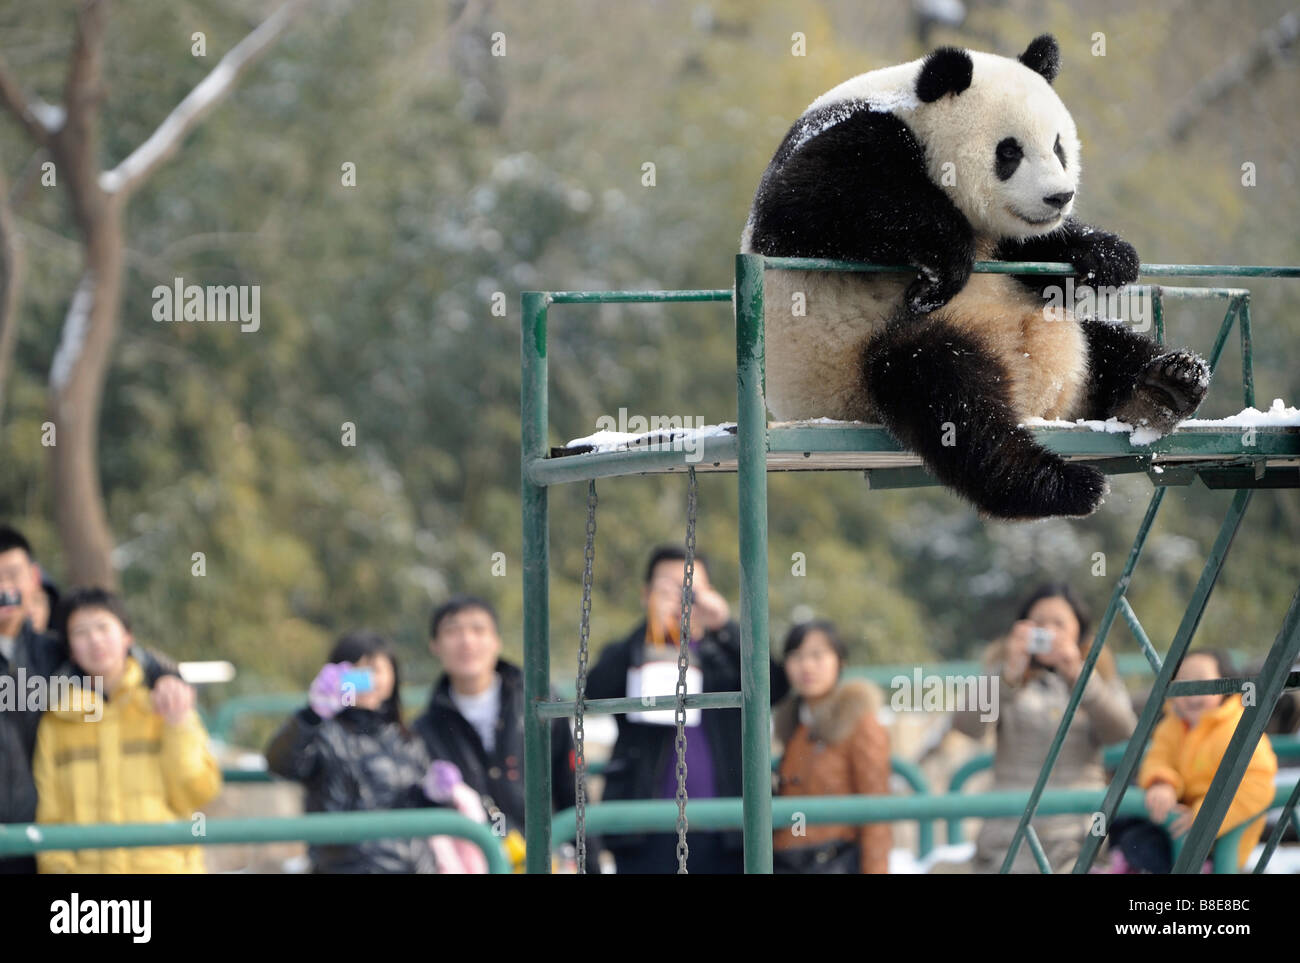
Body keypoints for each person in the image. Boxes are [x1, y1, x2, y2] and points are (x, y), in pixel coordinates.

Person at [586, 545, 790, 874]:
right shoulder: (632, 652)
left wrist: (726, 626)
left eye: (690, 588)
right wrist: (647, 628)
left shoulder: (725, 655)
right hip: (646, 832)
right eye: (666, 588)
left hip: (726, 830)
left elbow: (777, 686)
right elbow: (594, 691)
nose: (680, 598)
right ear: (645, 594)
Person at [0, 525, 181, 874]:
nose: (3, 588)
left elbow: (123, 660)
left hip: (40, 847)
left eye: (12, 575)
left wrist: (169, 677)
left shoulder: (59, 657)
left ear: (34, 579)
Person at [949, 582, 1137, 873]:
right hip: (1009, 834)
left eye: (1059, 624)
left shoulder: (1099, 672)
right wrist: (1008, 674)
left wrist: (1080, 676)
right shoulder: (1003, 670)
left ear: (1079, 631)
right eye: (1038, 623)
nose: (1048, 632)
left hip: (1076, 835)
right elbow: (967, 726)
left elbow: (1123, 731)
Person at [33, 588, 221, 873]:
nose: (94, 640)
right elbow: (49, 818)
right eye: (81, 632)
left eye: (103, 627)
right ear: (70, 648)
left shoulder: (165, 702)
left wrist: (178, 725)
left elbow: (196, 793)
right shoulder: (57, 721)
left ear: (127, 636)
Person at [266, 629, 457, 873]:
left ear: (393, 678)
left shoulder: (407, 738)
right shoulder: (323, 734)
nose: (366, 680)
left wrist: (437, 797)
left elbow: (417, 813)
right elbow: (280, 765)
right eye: (355, 672)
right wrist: (311, 715)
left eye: (376, 670)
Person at [413, 595, 576, 845]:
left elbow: (572, 790)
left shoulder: (541, 704)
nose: (467, 641)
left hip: (546, 857)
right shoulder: (424, 730)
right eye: (453, 631)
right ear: (434, 645)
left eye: (478, 629)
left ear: (496, 641)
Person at [1110, 649, 1278, 873]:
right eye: (1184, 681)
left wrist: (1206, 815)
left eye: (1202, 681)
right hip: (1178, 817)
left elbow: (1258, 784)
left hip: (1219, 834)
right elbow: (1158, 757)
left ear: (1225, 686)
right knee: (1121, 813)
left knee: (1143, 844)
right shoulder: (1172, 725)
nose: (1192, 691)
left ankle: (1192, 868)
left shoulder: (1238, 728)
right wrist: (1162, 783)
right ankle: (1124, 862)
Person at [772, 620, 891, 873]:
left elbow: (877, 812)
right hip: (786, 859)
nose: (806, 666)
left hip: (833, 858)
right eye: (796, 656)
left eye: (817, 655)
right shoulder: (794, 724)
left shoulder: (859, 724)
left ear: (840, 662)